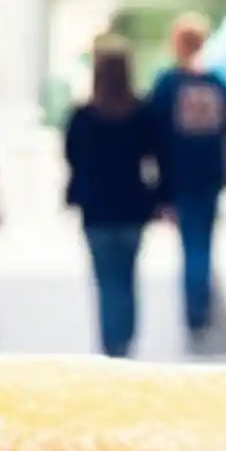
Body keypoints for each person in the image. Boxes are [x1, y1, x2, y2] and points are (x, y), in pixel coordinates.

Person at [148, 14, 226, 341]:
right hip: (210, 173)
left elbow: (153, 130)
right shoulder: (216, 82)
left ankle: (195, 309)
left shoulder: (169, 84)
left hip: (181, 174)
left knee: (191, 244)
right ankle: (200, 306)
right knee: (203, 241)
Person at [65, 35, 163, 358]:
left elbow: (72, 158)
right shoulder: (142, 113)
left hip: (97, 210)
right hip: (133, 208)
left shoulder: (83, 117)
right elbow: (157, 157)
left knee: (106, 282)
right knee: (127, 277)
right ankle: (127, 340)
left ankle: (112, 345)